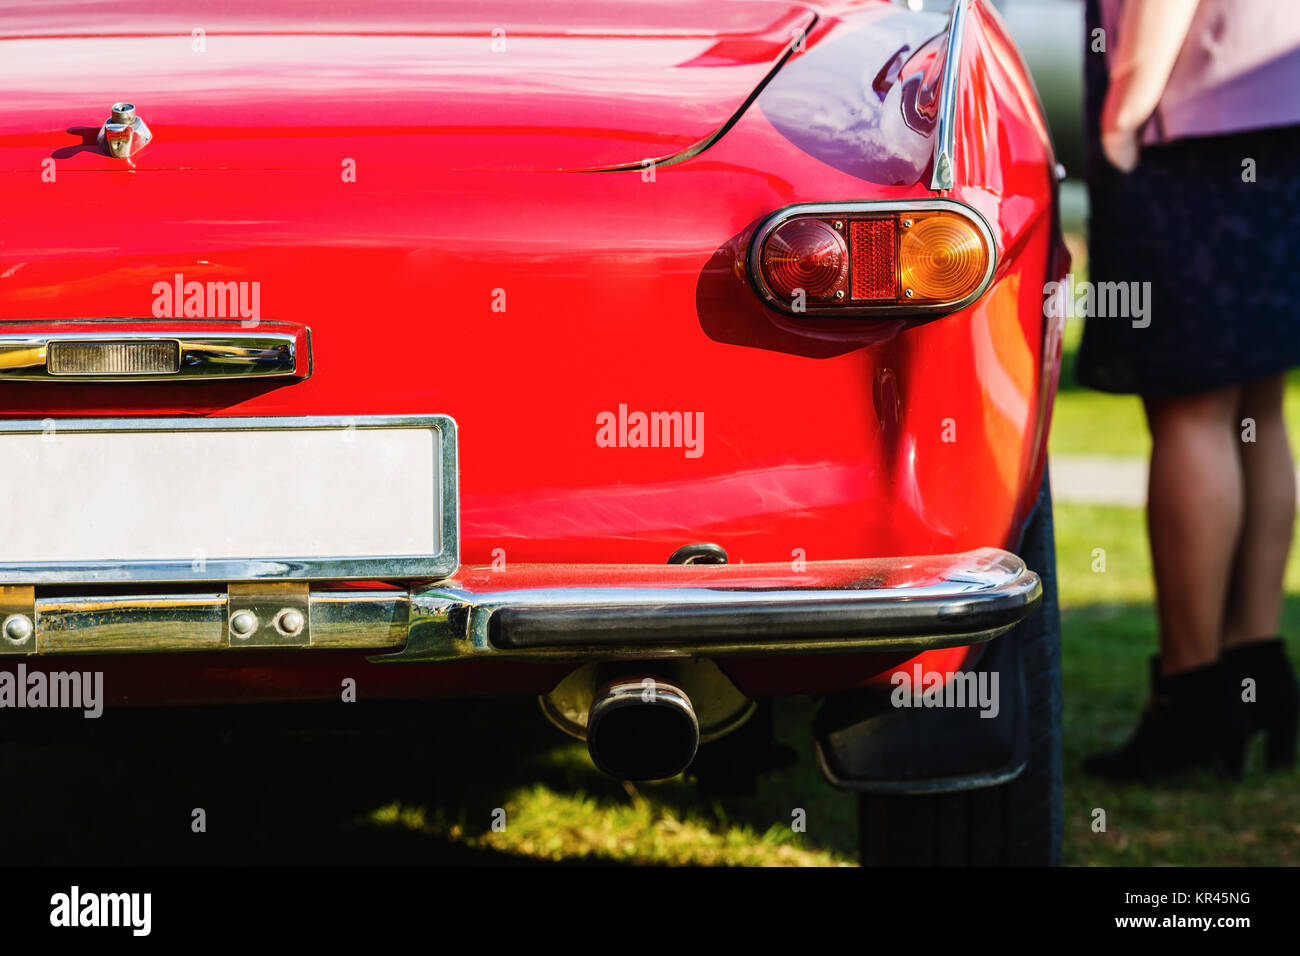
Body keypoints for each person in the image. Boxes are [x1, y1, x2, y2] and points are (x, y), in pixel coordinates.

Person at [1078, 0, 1300, 779]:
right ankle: (1256, 668)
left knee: (1191, 412)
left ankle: (1193, 700)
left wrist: (1120, 112)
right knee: (1256, 406)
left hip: (1184, 124)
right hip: (1277, 106)